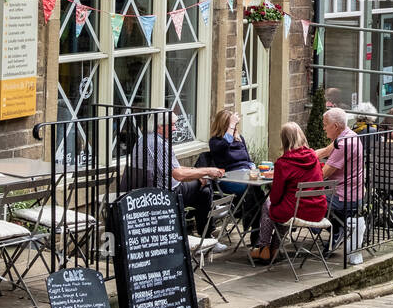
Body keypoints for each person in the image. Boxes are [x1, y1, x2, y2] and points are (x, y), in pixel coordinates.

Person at [127, 119, 224, 243]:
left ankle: (198, 226)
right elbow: (179, 175)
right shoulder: (158, 144)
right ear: (160, 127)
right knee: (205, 186)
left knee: (203, 189)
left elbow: (174, 168)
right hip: (164, 193)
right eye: (172, 125)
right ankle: (207, 236)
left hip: (149, 189)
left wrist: (196, 171)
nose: (175, 129)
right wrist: (207, 171)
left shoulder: (144, 139)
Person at [250, 122, 327, 263]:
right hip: (318, 210)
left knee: (269, 205)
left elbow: (276, 196)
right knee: (283, 208)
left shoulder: (283, 163)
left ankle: (263, 248)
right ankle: (274, 248)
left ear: (284, 140)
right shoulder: (313, 157)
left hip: (297, 211)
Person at [316, 106, 365, 261]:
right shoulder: (349, 135)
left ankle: (336, 229)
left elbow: (323, 175)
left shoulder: (344, 144)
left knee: (305, 201)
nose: (323, 128)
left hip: (343, 196)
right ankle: (337, 229)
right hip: (352, 192)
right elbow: (325, 151)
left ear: (335, 126)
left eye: (325, 124)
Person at [207, 107, 264, 240]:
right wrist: (231, 126)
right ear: (224, 126)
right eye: (231, 125)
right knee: (255, 190)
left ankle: (255, 229)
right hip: (228, 180)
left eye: (235, 125)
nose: (234, 128)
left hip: (246, 176)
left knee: (258, 190)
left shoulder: (240, 139)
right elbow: (224, 145)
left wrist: (253, 168)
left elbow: (248, 160)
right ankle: (255, 230)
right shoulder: (216, 142)